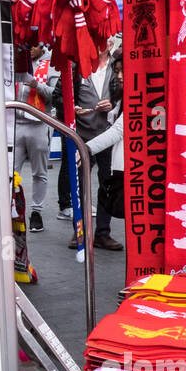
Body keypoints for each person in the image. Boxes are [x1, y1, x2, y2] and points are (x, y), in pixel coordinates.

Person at [73, 43, 121, 251]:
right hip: (82, 134)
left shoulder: (116, 66)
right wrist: (71, 108)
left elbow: (124, 95)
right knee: (80, 186)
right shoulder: (79, 67)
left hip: (106, 135)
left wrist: (113, 103)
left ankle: (102, 232)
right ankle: (80, 231)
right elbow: (60, 94)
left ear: (109, 44)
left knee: (106, 185)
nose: (119, 76)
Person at [14, 44, 58, 231]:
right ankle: (12, 209)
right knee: (10, 172)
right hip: (16, 124)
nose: (29, 49)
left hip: (39, 124)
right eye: (26, 45)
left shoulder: (51, 64)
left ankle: (36, 213)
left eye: (33, 45)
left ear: (43, 45)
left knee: (39, 173)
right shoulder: (16, 59)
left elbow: (54, 95)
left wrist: (36, 84)